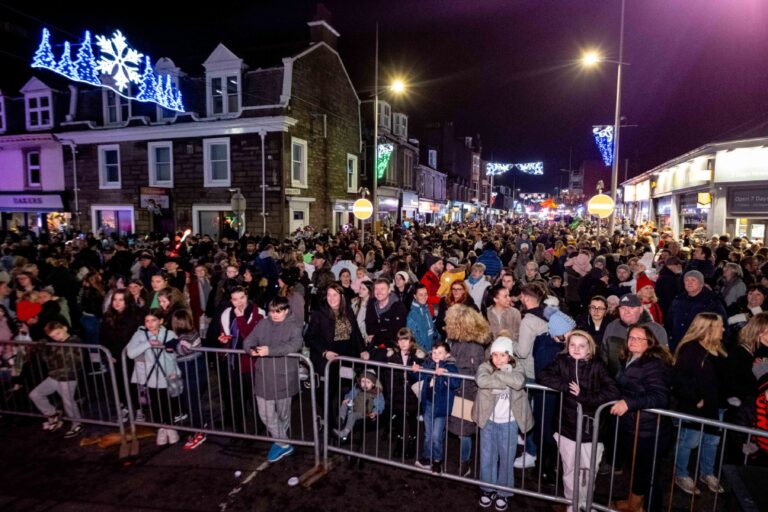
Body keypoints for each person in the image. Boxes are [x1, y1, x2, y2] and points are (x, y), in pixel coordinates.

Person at [538, 330, 619, 512]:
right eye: (572, 345)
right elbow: (542, 375)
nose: (576, 349)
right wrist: (565, 387)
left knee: (589, 471)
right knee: (569, 470)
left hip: (592, 430)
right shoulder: (561, 361)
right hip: (566, 427)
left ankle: (586, 504)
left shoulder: (597, 366)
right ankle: (572, 504)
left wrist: (585, 396)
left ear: (589, 348)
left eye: (581, 346)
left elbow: (613, 391)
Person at [609, 324, 673, 512]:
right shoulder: (631, 358)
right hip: (635, 428)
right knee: (638, 471)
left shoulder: (653, 363)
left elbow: (660, 397)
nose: (633, 341)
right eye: (631, 337)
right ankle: (634, 504)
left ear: (650, 343)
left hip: (650, 431)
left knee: (651, 477)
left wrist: (629, 403)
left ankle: (650, 508)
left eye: (639, 339)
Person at [474, 336, 532, 512]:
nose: (498, 359)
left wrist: (499, 376)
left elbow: (519, 381)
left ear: (510, 357)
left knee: (507, 458)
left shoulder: (519, 367)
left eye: (502, 355)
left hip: (509, 422)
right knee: (487, 457)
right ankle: (487, 489)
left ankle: (504, 492)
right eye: (495, 355)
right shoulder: (485, 366)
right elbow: (482, 380)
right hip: (488, 420)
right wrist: (505, 376)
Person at [672, 313, 728, 495]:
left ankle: (707, 473)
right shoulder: (690, 349)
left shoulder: (718, 348)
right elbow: (679, 379)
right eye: (720, 326)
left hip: (716, 405)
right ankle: (681, 473)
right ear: (708, 329)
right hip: (696, 407)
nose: (724, 329)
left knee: (712, 441)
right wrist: (695, 400)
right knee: (689, 440)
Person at [243, 296, 304, 463]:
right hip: (263, 375)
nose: (275, 315)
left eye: (279, 311)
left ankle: (279, 442)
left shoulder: (295, 326)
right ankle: (285, 444)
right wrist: (250, 350)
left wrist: (269, 350)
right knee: (266, 415)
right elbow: (248, 340)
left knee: (284, 415)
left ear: (286, 310)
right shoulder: (263, 323)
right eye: (272, 311)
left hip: (284, 377)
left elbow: (294, 345)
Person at [445, 304, 491, 478]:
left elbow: (475, 372)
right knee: (459, 429)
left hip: (465, 393)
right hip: (456, 390)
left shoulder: (473, 347)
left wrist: (452, 364)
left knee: (464, 431)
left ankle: (465, 463)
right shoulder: (455, 341)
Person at [126, 309, 181, 445]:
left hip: (167, 374)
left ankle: (170, 427)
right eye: (147, 321)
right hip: (149, 375)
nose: (150, 324)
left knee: (168, 402)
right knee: (155, 403)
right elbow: (130, 353)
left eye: (153, 320)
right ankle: (161, 429)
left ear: (161, 321)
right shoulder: (140, 334)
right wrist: (148, 343)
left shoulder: (169, 334)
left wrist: (174, 371)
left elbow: (175, 355)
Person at [28, 321, 84, 438]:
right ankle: (53, 414)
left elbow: (70, 362)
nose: (56, 337)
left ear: (65, 328)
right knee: (35, 394)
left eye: (58, 333)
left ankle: (77, 424)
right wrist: (43, 349)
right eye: (53, 336)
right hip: (55, 376)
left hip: (68, 376)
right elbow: (49, 361)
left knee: (68, 401)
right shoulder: (56, 344)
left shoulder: (74, 342)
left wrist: (46, 350)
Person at [412, 340, 459, 473]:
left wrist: (445, 375)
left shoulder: (450, 366)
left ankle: (437, 459)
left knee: (436, 435)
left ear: (447, 355)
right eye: (434, 352)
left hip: (441, 407)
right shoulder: (429, 363)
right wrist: (415, 370)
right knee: (428, 434)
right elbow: (420, 375)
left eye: (440, 352)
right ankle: (426, 458)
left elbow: (456, 383)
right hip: (428, 403)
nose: (436, 355)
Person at [602, 294, 669, 379]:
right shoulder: (611, 326)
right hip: (614, 383)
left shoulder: (657, 330)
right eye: (623, 308)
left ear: (641, 309)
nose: (627, 311)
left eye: (632, 308)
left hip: (643, 385)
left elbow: (663, 363)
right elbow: (604, 357)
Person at [169, 309, 208, 451]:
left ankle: (198, 433)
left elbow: (184, 349)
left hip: (194, 375)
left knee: (192, 404)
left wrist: (172, 344)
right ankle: (200, 424)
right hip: (196, 374)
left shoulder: (187, 338)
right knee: (194, 402)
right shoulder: (192, 333)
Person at [385, 328, 423, 459]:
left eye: (405, 339)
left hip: (411, 393)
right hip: (398, 393)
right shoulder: (393, 355)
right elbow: (389, 376)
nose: (403, 343)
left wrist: (418, 368)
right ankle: (400, 441)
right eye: (400, 340)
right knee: (400, 418)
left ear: (411, 340)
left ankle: (412, 441)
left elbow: (422, 374)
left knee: (412, 418)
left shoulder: (417, 355)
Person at [668, 270, 728, 352]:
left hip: (700, 347)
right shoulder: (678, 300)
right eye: (687, 280)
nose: (689, 283)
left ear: (701, 284)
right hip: (677, 344)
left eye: (693, 280)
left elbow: (722, 324)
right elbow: (669, 321)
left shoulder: (711, 302)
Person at [333, 369, 385, 441]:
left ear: (373, 383)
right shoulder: (357, 388)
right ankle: (341, 419)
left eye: (368, 382)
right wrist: (347, 399)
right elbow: (351, 395)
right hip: (354, 406)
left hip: (364, 412)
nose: (365, 384)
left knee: (352, 416)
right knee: (344, 404)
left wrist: (375, 412)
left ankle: (345, 432)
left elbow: (380, 405)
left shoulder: (376, 393)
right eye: (363, 381)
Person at [365, 278, 407, 349]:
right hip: (374, 345)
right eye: (376, 289)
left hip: (392, 347)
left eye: (382, 289)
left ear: (389, 290)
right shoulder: (371, 303)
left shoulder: (398, 307)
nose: (379, 292)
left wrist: (376, 337)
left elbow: (396, 331)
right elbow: (369, 326)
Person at [407, 283, 441, 353]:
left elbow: (431, 328)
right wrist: (425, 352)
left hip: (432, 349)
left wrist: (437, 339)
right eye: (420, 295)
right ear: (415, 296)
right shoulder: (412, 315)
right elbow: (414, 339)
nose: (424, 297)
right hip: (423, 354)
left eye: (425, 294)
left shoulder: (426, 308)